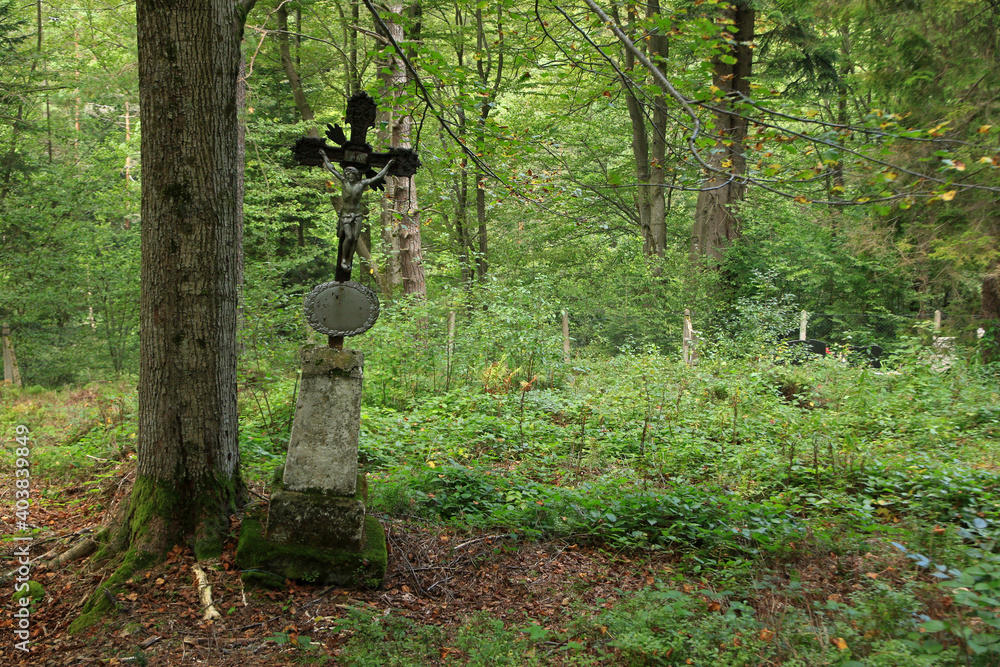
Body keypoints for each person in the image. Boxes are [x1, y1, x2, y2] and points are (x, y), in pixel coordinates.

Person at [319, 149, 394, 276]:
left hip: (357, 214)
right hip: (346, 214)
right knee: (348, 237)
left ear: (355, 175)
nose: (349, 176)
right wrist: (324, 155)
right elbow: (332, 168)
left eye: (351, 174)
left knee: (355, 238)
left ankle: (349, 260)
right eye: (347, 174)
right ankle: (343, 259)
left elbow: (378, 177)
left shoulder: (362, 184)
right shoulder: (344, 181)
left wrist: (388, 165)